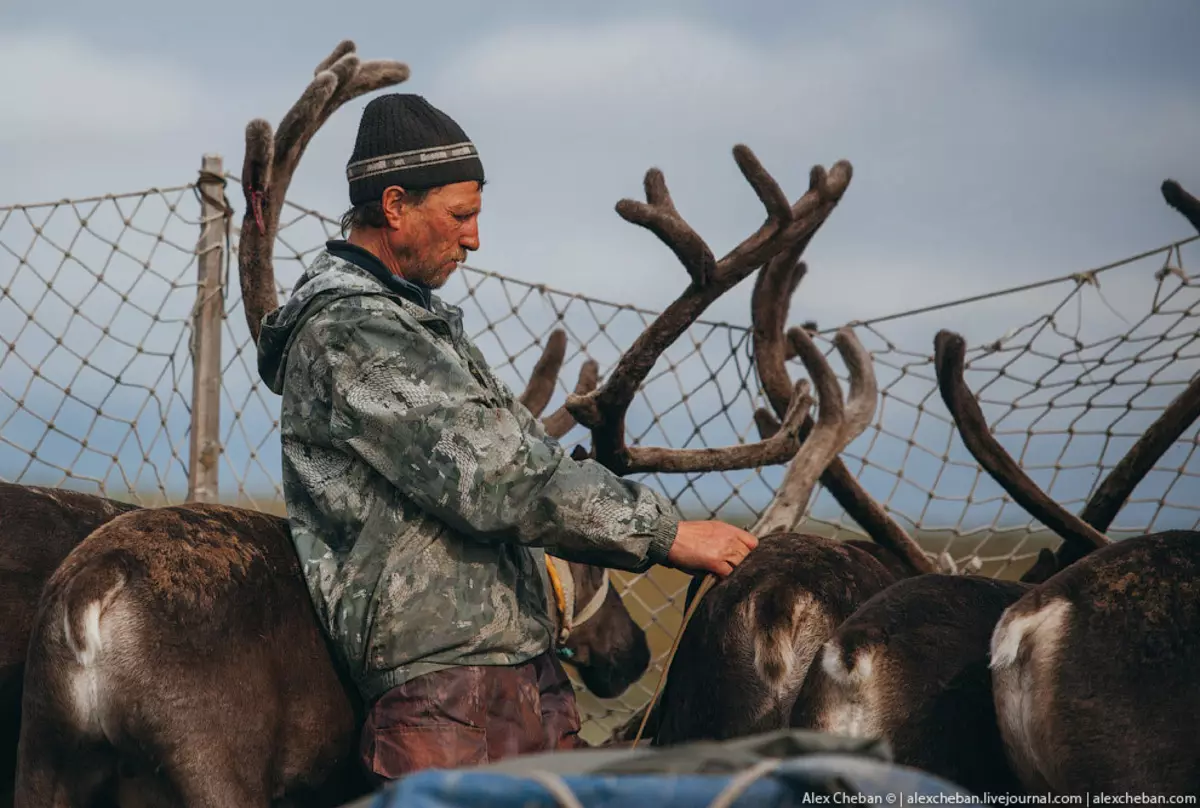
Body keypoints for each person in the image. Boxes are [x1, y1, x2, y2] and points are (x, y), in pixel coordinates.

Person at [256, 93, 759, 782]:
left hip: (507, 671)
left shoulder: (414, 322)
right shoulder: (354, 332)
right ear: (395, 205)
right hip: (444, 687)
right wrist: (666, 535)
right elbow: (500, 478)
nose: (474, 239)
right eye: (461, 216)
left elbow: (529, 457)